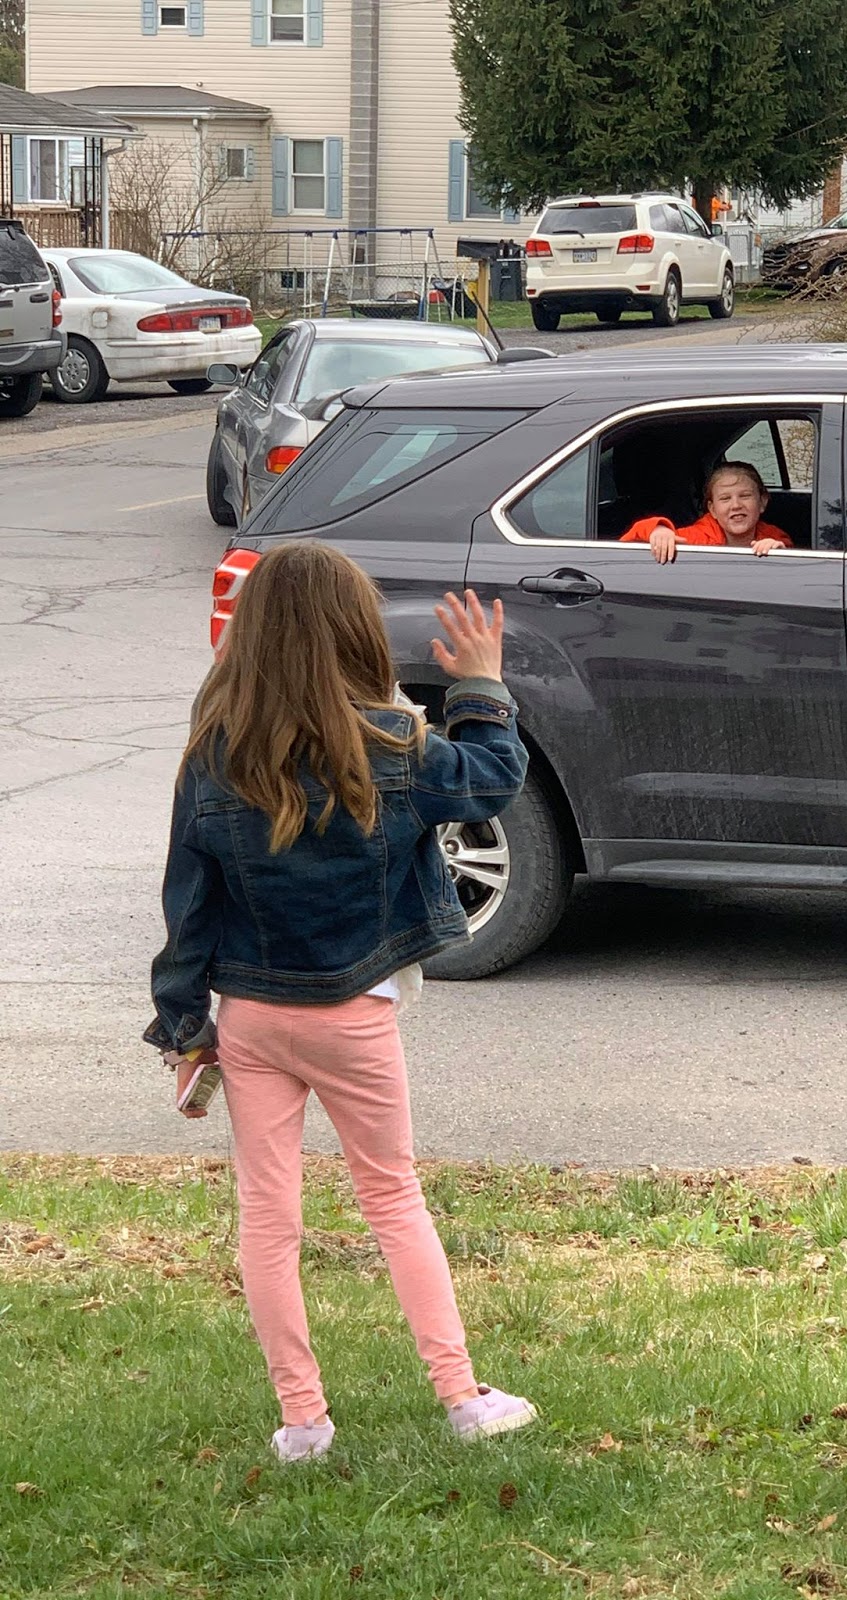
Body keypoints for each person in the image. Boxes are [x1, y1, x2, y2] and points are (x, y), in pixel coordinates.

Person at [144, 543, 538, 1461]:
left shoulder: (214, 754)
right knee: (393, 1196)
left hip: (251, 1017)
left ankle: (302, 1421)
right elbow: (493, 776)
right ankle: (461, 1395)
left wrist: (182, 1021)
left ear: (250, 640)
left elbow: (186, 902)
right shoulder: (396, 747)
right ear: (354, 632)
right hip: (356, 1015)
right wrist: (481, 684)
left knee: (267, 1217)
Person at [621, 461, 793, 564]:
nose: (736, 505)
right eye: (725, 499)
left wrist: (779, 552)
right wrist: (658, 530)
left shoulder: (773, 536)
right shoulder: (695, 538)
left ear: (762, 502)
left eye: (745, 496)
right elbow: (627, 543)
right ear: (713, 510)